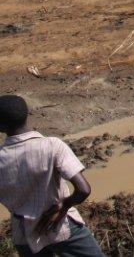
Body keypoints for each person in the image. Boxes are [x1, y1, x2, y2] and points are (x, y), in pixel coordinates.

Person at [0, 94, 104, 257]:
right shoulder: (52, 145)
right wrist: (64, 206)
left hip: (23, 233)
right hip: (60, 224)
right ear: (26, 114)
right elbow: (83, 190)